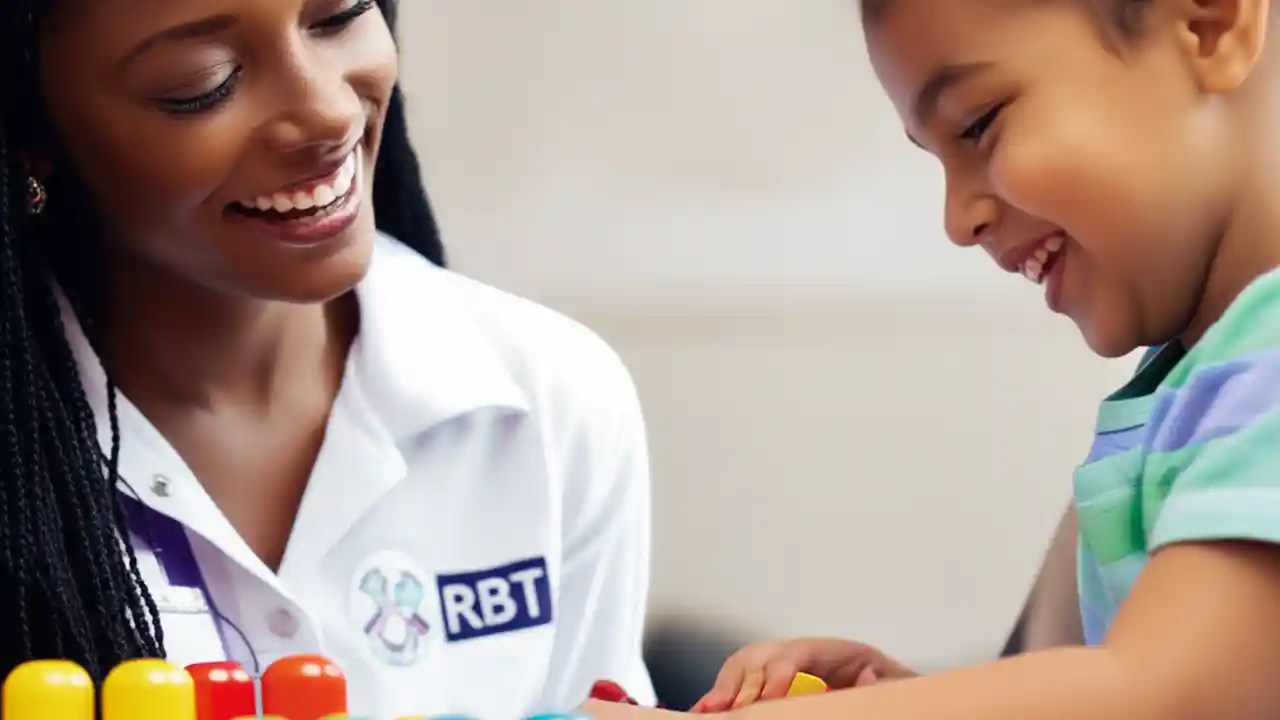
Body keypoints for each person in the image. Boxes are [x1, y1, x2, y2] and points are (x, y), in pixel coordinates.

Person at [581, 0, 1280, 717]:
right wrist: (910, 695)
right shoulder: (1187, 386)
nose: (958, 220)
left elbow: (1168, 693)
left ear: (1208, 23)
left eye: (978, 124)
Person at [0, 1, 654, 717]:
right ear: (33, 132)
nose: (326, 113)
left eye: (339, 15)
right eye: (204, 81)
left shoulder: (546, 397)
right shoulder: (24, 469)